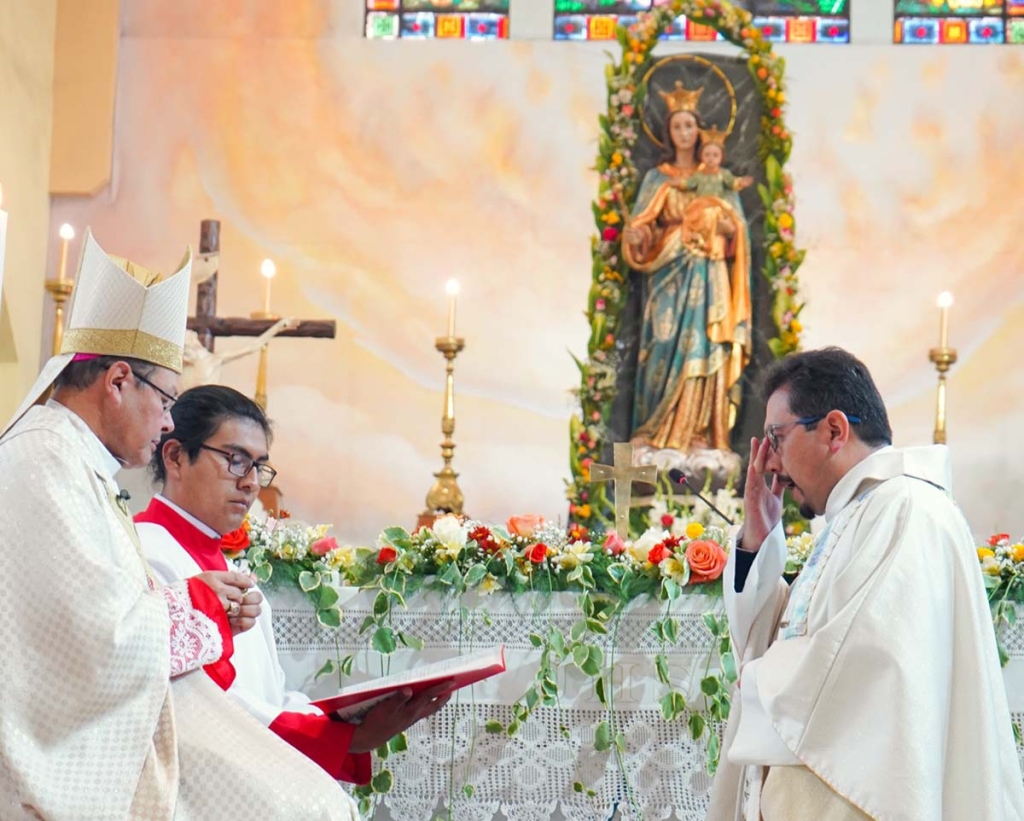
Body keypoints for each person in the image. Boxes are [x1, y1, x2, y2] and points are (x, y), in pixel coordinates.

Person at [0, 230, 359, 820]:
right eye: (167, 399)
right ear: (117, 382)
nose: (169, 422)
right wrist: (194, 604)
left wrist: (194, 607)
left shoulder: (75, 464)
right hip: (81, 754)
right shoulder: (45, 462)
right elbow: (89, 647)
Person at [706, 347, 1024, 821]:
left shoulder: (907, 510)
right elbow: (795, 637)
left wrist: (755, 681)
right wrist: (757, 537)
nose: (768, 462)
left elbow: (867, 666)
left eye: (776, 436)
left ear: (834, 430)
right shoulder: (856, 513)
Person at [135, 384, 452, 788]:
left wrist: (352, 718)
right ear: (176, 456)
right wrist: (347, 739)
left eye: (259, 466)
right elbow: (197, 707)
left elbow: (270, 698)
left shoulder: (233, 569)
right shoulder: (146, 553)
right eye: (235, 460)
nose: (251, 482)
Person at [623, 81, 752, 456]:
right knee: (662, 344)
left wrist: (725, 228)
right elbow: (643, 223)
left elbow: (737, 227)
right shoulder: (658, 178)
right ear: (668, 132)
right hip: (667, 271)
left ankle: (698, 431)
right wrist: (636, 234)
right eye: (677, 126)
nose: (684, 133)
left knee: (706, 341)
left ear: (699, 132)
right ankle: (654, 428)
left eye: (690, 126)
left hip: (708, 273)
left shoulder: (715, 176)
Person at [683, 127, 753, 198]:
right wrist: (677, 182)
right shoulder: (699, 174)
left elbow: (731, 182)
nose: (711, 158)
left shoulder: (723, 173)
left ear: (721, 157)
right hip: (701, 204)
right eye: (707, 155)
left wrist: (740, 182)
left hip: (717, 205)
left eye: (715, 155)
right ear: (701, 156)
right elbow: (689, 183)